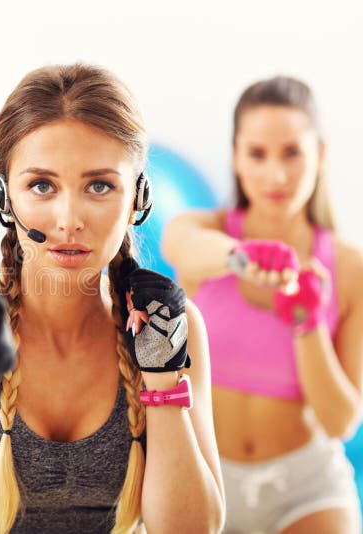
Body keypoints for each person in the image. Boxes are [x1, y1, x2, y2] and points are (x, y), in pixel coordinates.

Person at [0, 63, 224, 534]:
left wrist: (161, 375)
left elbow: (191, 529)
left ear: (139, 199)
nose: (68, 218)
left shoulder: (172, 328)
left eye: (99, 185)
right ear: (4, 198)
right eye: (42, 185)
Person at [163, 75, 363, 533]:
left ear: (321, 154)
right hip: (201, 472)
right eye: (257, 154)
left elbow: (340, 421)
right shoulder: (203, 231)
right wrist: (241, 258)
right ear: (236, 157)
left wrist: (307, 324)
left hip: (306, 488)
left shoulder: (351, 269)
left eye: (292, 153)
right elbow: (183, 246)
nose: (276, 175)